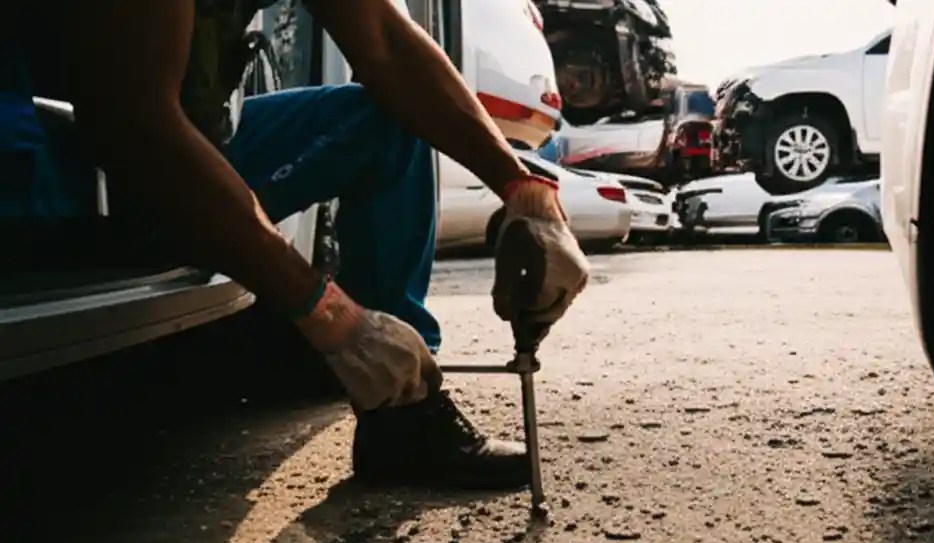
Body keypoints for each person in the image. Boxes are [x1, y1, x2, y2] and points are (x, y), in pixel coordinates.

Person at [4, 0, 591, 489]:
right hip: (86, 170)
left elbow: (386, 42)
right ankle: (365, 366)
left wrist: (524, 190)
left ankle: (402, 412)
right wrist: (330, 314)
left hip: (189, 140)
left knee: (383, 121)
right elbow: (133, 129)